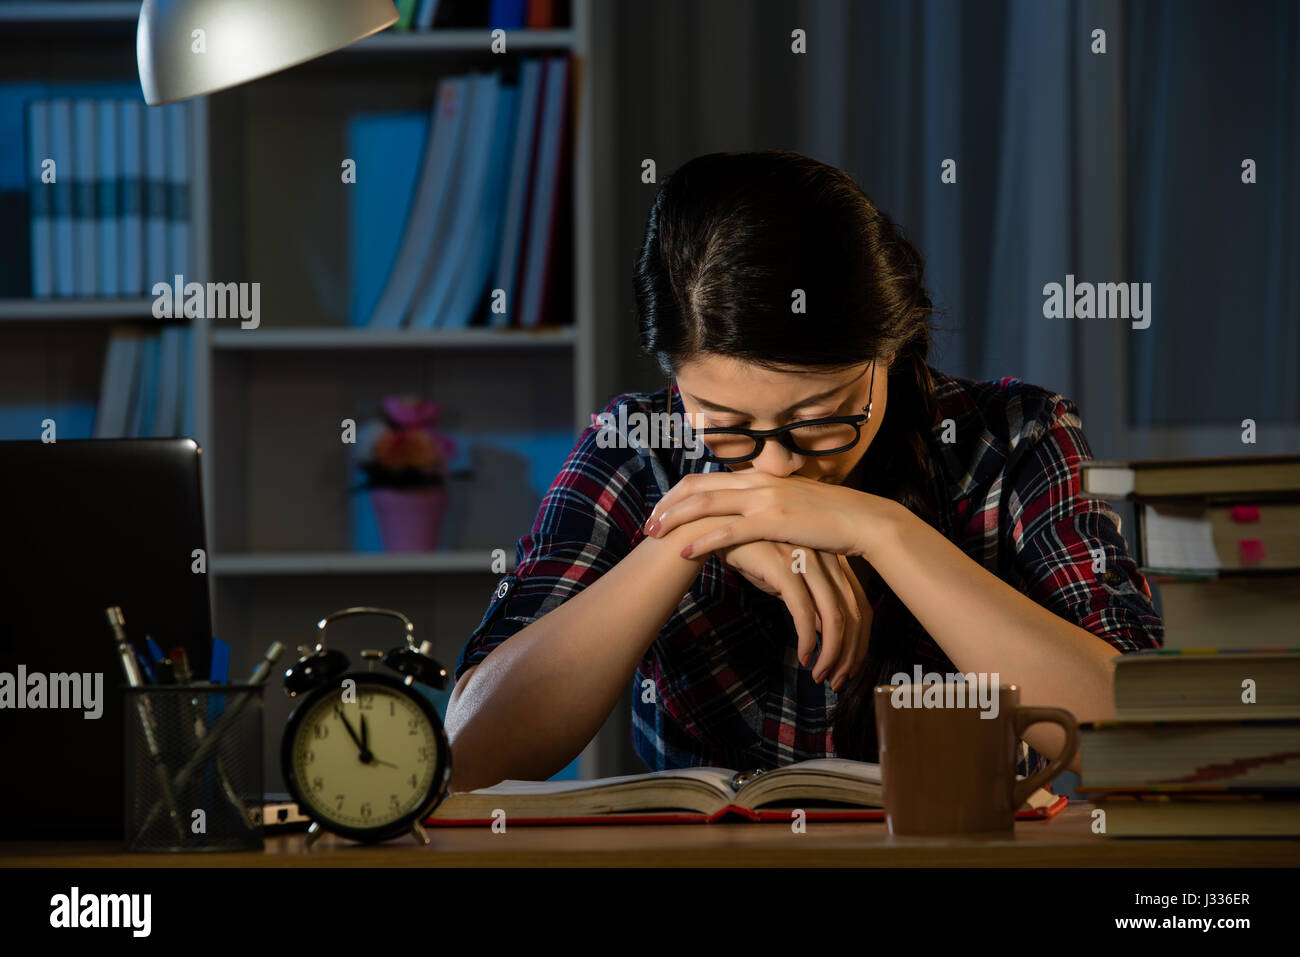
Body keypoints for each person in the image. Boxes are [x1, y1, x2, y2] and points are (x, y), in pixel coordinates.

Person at [443, 150, 1163, 794]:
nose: (777, 464)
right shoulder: (638, 446)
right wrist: (686, 539)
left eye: (824, 416)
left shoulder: (1016, 436)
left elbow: (1135, 735)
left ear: (892, 349)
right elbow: (469, 751)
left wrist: (886, 532)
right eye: (725, 424)